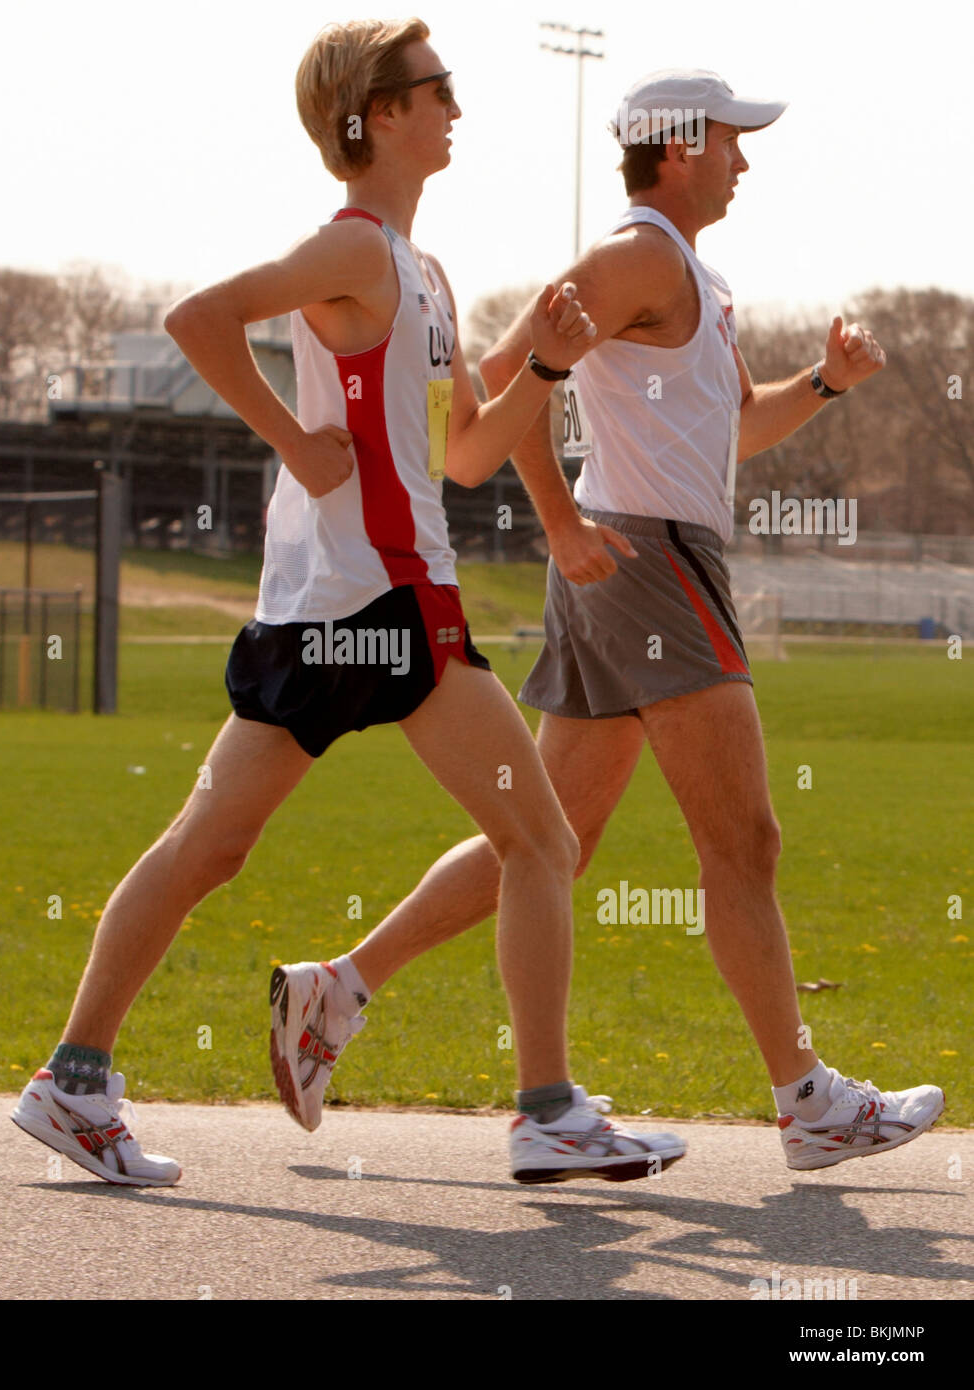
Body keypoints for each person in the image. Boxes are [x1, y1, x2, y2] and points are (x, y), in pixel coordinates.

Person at [12, 19, 686, 1186]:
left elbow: (466, 453)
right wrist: (291, 439)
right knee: (541, 838)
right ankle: (546, 1109)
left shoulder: (422, 275)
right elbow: (197, 318)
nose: (458, 108)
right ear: (372, 117)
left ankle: (74, 1078)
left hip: (329, 609)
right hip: (386, 603)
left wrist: (547, 366)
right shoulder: (358, 252)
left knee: (208, 846)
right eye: (437, 90)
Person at [275, 68, 944, 1172]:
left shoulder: (688, 272)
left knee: (548, 842)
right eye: (734, 141)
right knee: (745, 840)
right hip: (648, 565)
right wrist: (556, 520)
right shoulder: (637, 255)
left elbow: (734, 432)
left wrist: (823, 383)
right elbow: (500, 379)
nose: (746, 160)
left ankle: (336, 990)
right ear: (678, 149)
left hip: (643, 560)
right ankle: (808, 1100)